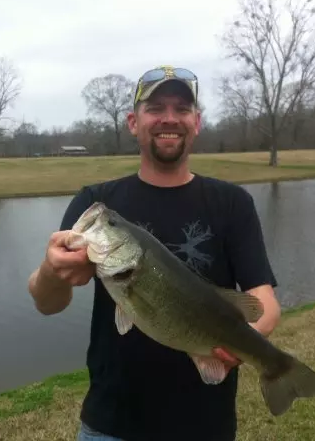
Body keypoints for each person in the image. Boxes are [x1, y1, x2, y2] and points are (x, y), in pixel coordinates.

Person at [28, 65, 280, 441]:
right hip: (111, 425)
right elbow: (48, 302)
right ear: (133, 121)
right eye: (156, 108)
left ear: (197, 122)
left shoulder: (233, 203)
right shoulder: (97, 203)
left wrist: (245, 343)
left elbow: (264, 303)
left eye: (182, 109)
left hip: (204, 426)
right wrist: (51, 271)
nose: (169, 119)